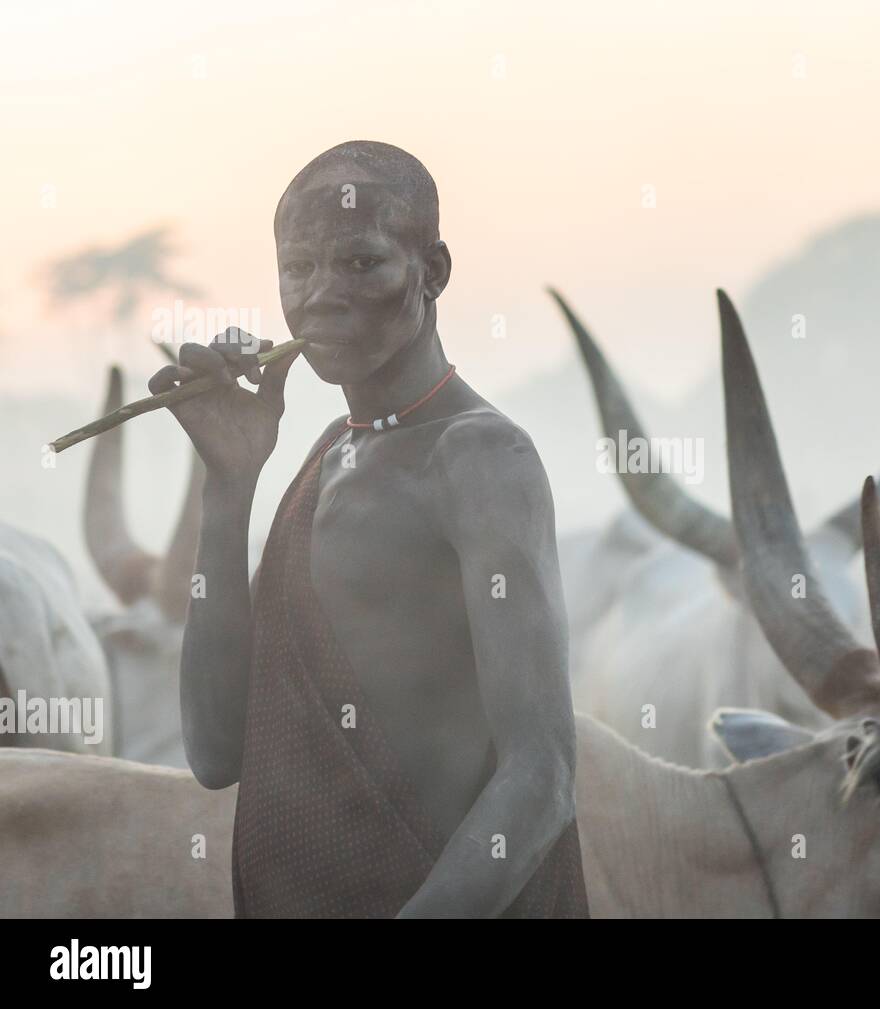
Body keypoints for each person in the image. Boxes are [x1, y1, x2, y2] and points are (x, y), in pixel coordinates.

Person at [150, 140, 587, 917]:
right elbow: (215, 750)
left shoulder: (482, 456)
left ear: (435, 271)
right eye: (299, 269)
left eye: (360, 264)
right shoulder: (325, 460)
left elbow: (542, 775)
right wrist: (230, 484)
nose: (320, 296)